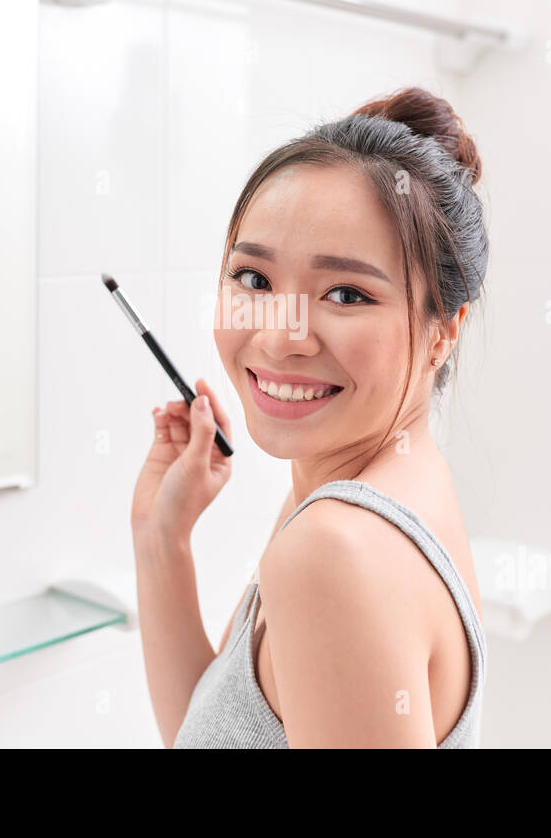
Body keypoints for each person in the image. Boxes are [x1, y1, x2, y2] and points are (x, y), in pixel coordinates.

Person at [131, 87, 490, 747]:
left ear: (444, 329)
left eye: (346, 293)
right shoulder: (359, 489)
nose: (279, 337)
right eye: (254, 279)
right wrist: (162, 537)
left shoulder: (333, 551)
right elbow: (210, 730)